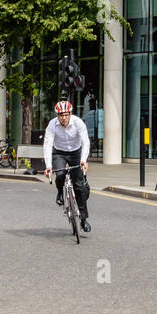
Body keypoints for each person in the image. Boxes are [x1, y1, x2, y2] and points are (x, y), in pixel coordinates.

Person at [44, 100, 91, 233]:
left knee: (80, 187)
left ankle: (83, 219)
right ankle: (60, 192)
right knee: (60, 174)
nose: (64, 118)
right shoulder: (52, 125)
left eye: (66, 115)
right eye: (61, 115)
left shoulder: (78, 123)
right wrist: (48, 166)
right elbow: (47, 145)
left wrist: (83, 160)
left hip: (76, 153)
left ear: (70, 114)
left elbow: (85, 142)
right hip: (59, 152)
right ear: (57, 115)